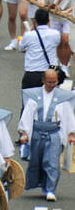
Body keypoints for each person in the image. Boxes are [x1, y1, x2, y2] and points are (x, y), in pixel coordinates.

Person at [18, 68, 75, 202]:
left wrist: (71, 133)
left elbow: (68, 117)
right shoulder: (34, 95)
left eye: (54, 82)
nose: (51, 85)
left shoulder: (62, 97)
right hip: (37, 131)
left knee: (52, 161)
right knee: (36, 161)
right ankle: (39, 184)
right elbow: (27, 115)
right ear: (43, 81)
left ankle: (50, 189)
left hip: (53, 133)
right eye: (49, 82)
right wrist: (25, 132)